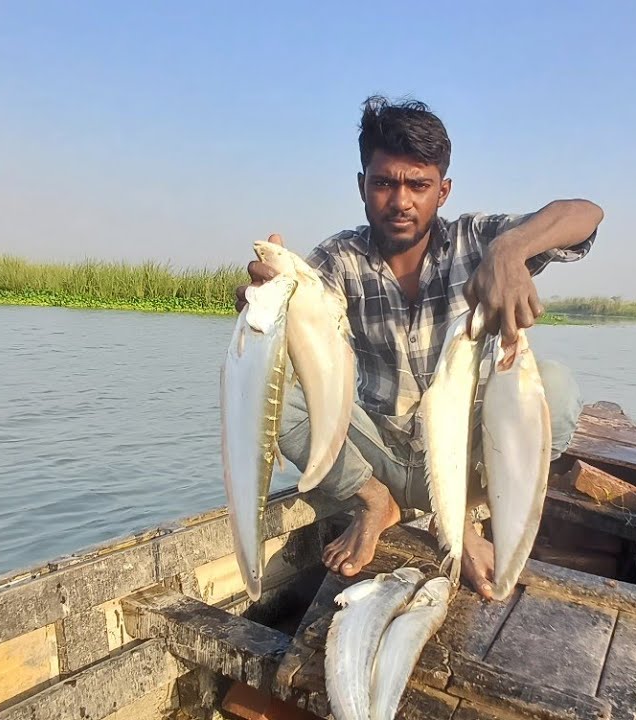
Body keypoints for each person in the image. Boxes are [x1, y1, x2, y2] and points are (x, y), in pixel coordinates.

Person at [234, 95, 602, 600]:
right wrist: (267, 308)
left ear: (443, 191)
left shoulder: (477, 240)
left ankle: (460, 520)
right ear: (362, 186)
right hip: (378, 451)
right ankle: (373, 503)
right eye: (384, 183)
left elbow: (585, 214)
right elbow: (301, 319)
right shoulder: (339, 258)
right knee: (269, 394)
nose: (401, 201)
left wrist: (510, 249)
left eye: (419, 185)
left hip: (463, 459)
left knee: (555, 387)